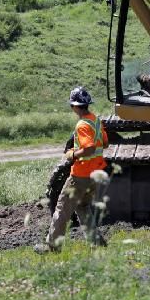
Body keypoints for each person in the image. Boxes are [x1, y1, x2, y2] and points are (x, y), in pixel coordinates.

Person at [43, 86, 109, 251]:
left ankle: (53, 246)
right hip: (95, 174)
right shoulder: (95, 120)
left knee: (62, 209)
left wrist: (72, 154)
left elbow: (89, 148)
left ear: (74, 106)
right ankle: (96, 243)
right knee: (82, 206)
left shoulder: (82, 125)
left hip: (81, 175)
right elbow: (105, 143)